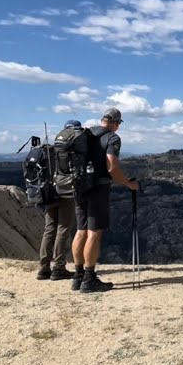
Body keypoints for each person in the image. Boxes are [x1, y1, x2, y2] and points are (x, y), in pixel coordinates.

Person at [69, 107, 140, 292]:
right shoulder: (112, 137)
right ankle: (89, 279)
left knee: (80, 230)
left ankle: (77, 277)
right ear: (116, 123)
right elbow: (112, 168)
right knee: (94, 232)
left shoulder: (86, 133)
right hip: (97, 188)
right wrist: (128, 184)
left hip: (78, 187)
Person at [36, 121, 79, 281]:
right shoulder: (71, 153)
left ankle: (43, 268)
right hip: (65, 193)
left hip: (48, 193)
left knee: (49, 229)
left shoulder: (50, 151)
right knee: (63, 228)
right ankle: (59, 267)